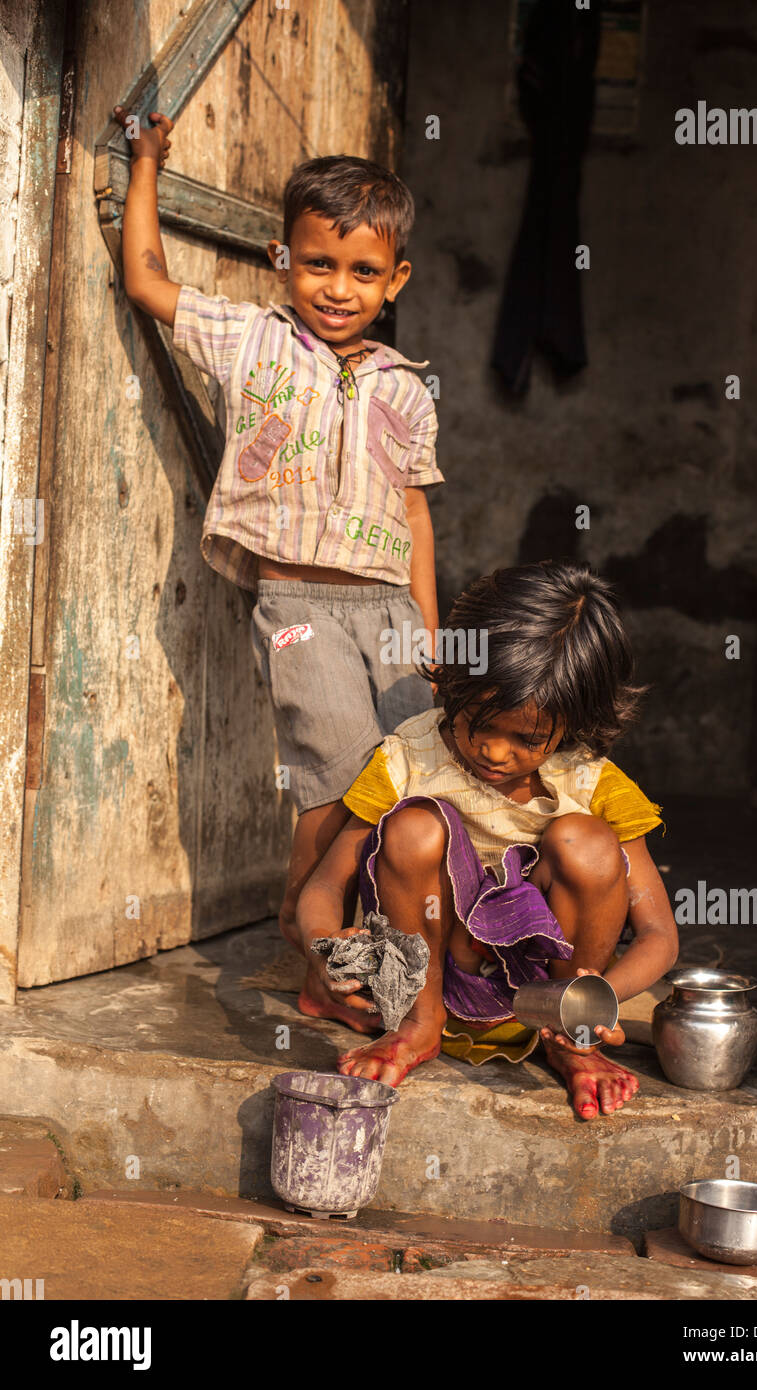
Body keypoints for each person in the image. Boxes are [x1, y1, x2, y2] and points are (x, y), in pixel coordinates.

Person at [113, 109, 442, 1004]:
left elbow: (413, 512)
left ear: (395, 279)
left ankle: (390, 954)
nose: (338, 287)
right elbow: (146, 281)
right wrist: (148, 161)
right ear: (281, 258)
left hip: (391, 614)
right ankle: (315, 952)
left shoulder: (406, 389)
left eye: (364, 271)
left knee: (411, 785)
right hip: (299, 606)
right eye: (318, 263)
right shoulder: (249, 338)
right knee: (333, 786)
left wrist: (432, 636)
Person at [296, 561, 680, 1120]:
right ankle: (419, 1026)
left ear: (573, 722)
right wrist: (325, 950)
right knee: (413, 826)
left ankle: (568, 1043)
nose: (496, 753)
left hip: (545, 999)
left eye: (527, 738)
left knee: (588, 844)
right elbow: (324, 888)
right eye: (478, 722)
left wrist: (594, 1004)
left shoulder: (592, 782)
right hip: (425, 982)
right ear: (453, 681)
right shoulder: (408, 760)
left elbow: (659, 937)